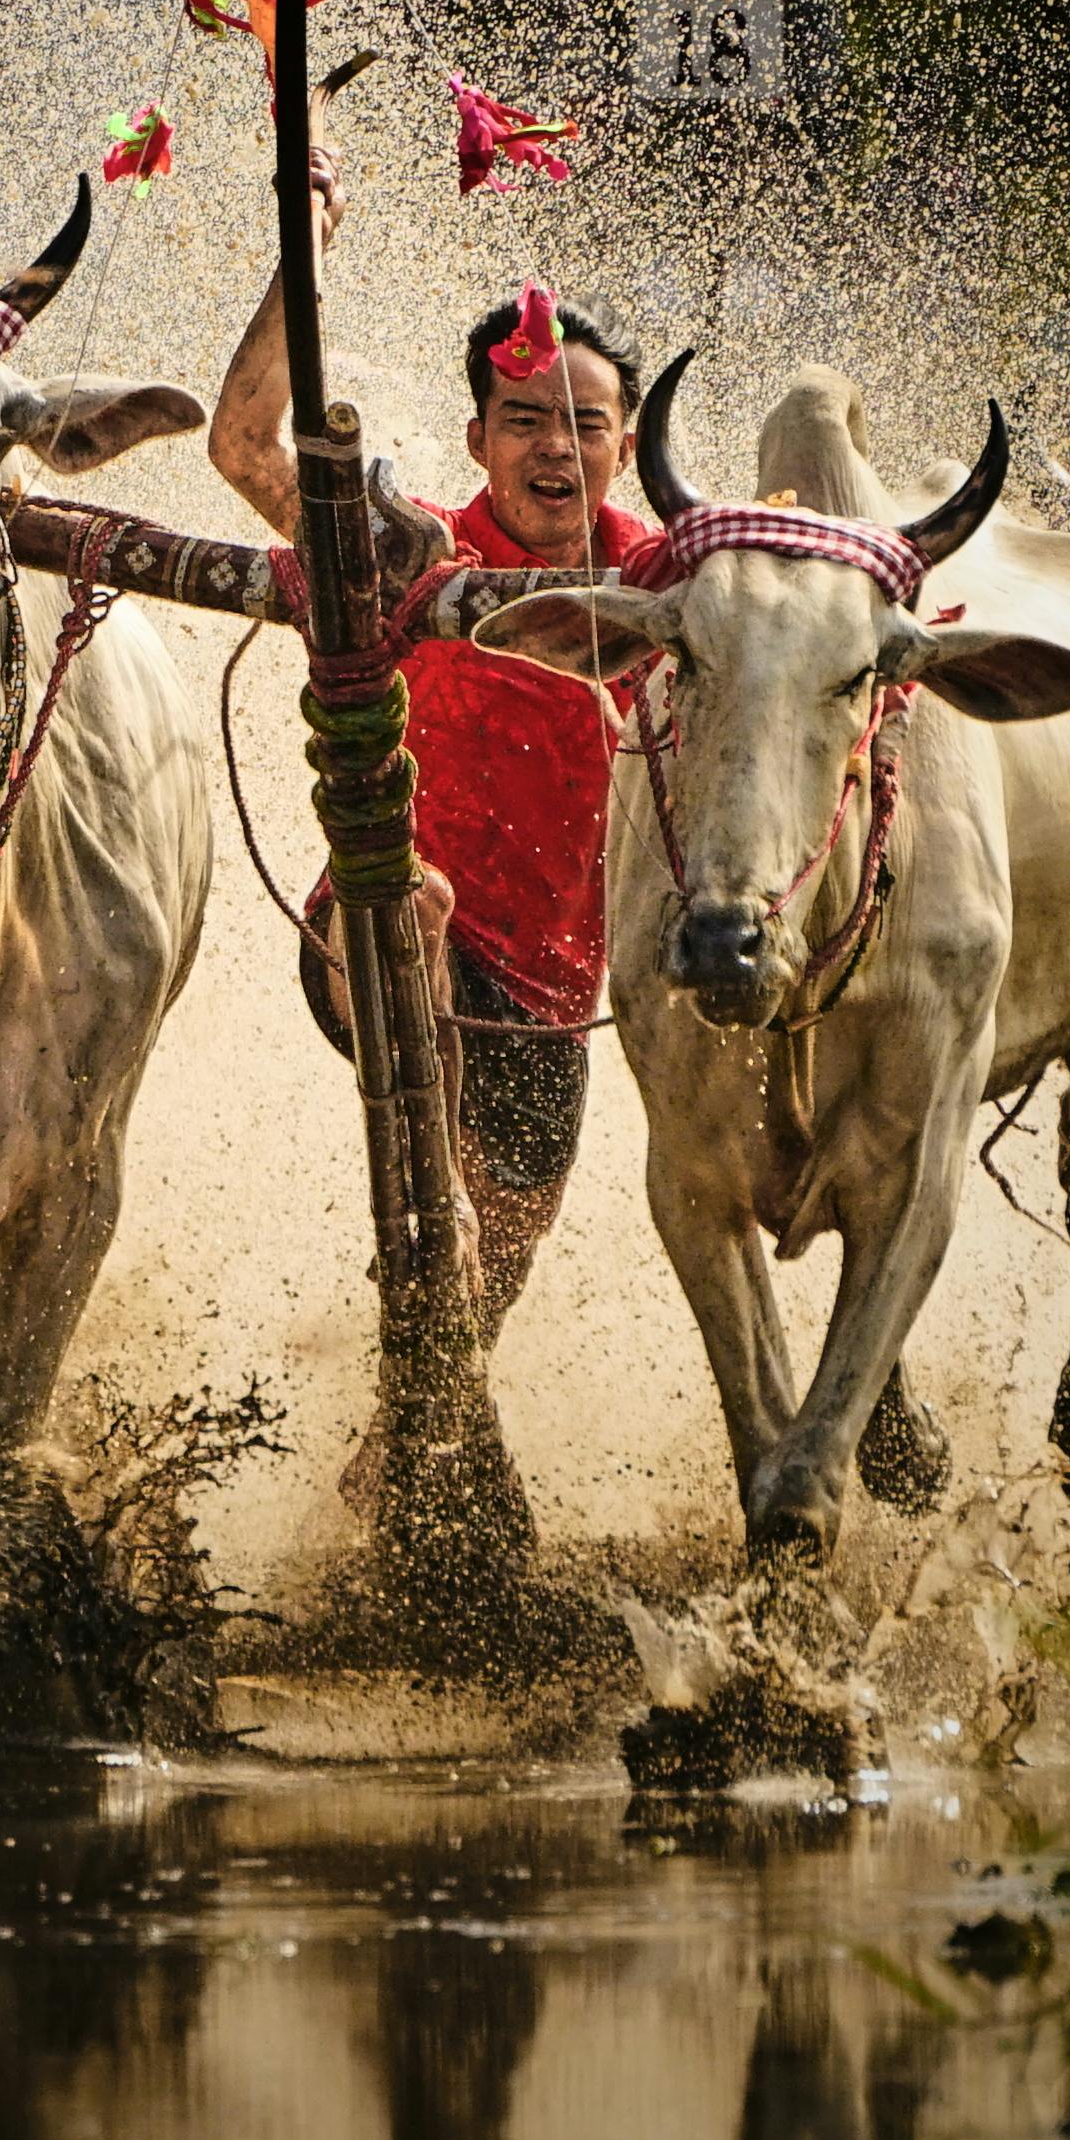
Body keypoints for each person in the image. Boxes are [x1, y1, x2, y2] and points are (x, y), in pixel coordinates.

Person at [209, 157, 657, 1345]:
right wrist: (304, 246)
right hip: (381, 929)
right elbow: (248, 444)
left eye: (584, 422)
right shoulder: (411, 554)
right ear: (478, 438)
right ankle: (439, 1201)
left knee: (500, 1276)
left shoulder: (670, 588)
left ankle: (413, 1433)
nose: (555, 445)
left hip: (556, 987)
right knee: (413, 901)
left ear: (626, 444)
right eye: (525, 419)